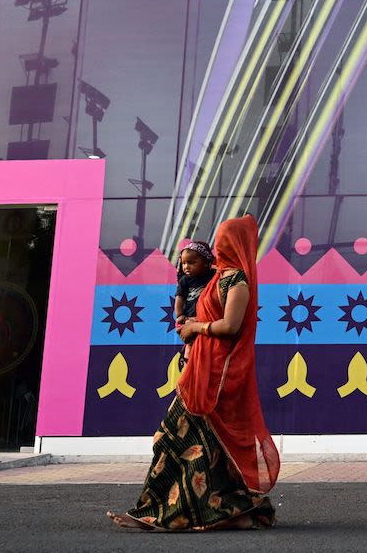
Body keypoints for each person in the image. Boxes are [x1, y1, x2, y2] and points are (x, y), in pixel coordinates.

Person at [108, 216, 280, 531]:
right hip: (199, 368)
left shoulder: (237, 281)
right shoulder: (217, 277)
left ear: (235, 244)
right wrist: (188, 331)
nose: (218, 245)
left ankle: (173, 515)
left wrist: (195, 327)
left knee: (188, 443)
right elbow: (188, 299)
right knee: (186, 444)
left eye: (224, 240)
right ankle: (163, 510)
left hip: (217, 378)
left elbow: (230, 326)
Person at [174, 239, 217, 326]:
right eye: (183, 263)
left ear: (205, 262)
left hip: (208, 318)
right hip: (190, 318)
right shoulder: (185, 280)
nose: (186, 267)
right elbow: (180, 298)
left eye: (191, 263)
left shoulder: (214, 276)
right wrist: (180, 315)